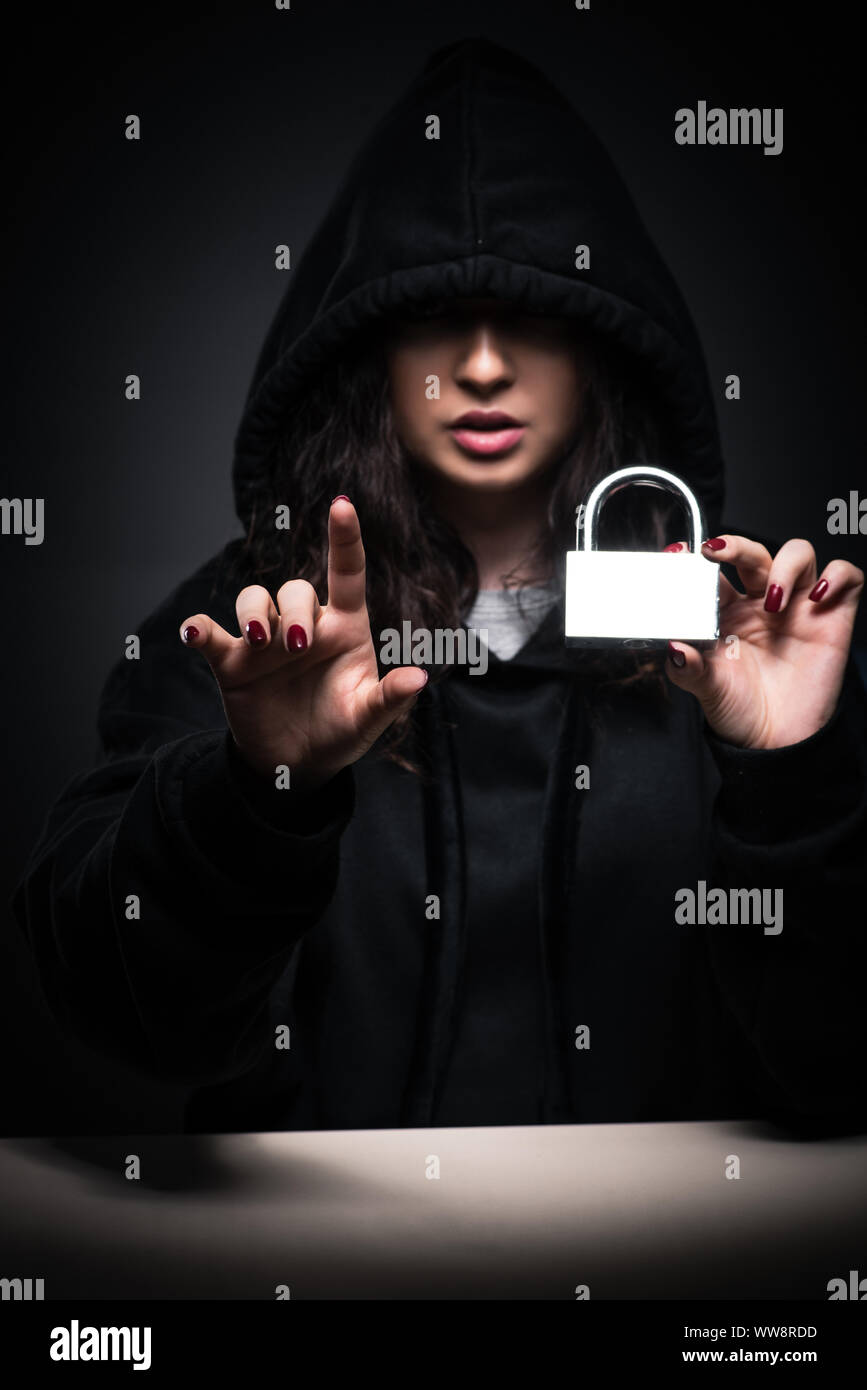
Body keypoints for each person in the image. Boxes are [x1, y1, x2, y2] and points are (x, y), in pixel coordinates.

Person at [13, 39, 867, 1134]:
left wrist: (792, 778)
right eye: (436, 318)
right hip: (311, 1271)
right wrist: (252, 793)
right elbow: (118, 1015)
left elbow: (839, 1064)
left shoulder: (724, 636)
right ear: (366, 350)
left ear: (605, 342)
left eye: (532, 313)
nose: (479, 364)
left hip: (675, 1260)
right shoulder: (255, 630)